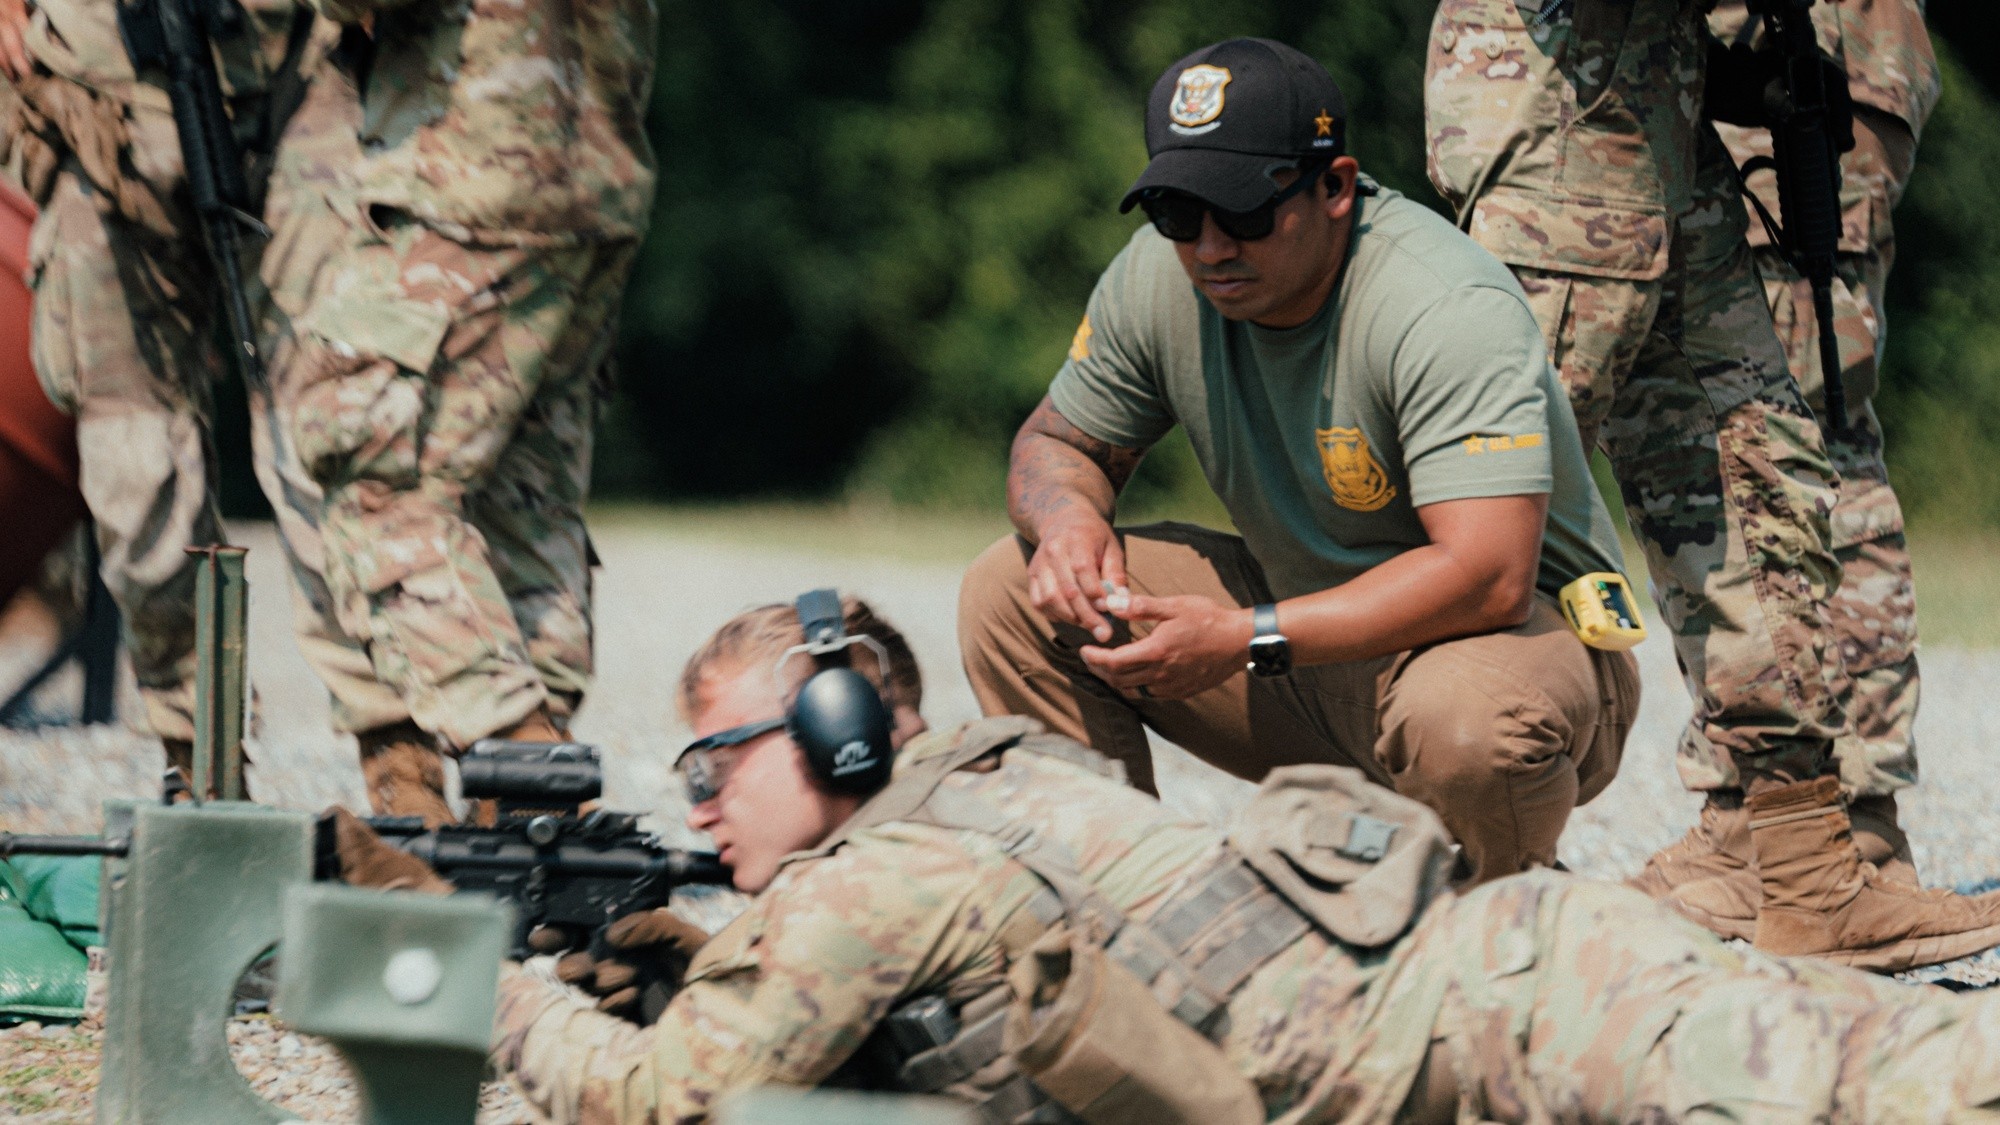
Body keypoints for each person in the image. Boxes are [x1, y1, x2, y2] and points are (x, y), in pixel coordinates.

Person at [331, 593, 2000, 1124]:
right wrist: (687, 950)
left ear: (847, 741)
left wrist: (492, 995)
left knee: (1919, 1087)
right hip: (1484, 1003)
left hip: (1508, 1010)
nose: (699, 804)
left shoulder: (888, 877)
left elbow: (675, 1104)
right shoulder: (970, 801)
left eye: (722, 760)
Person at [955, 38, 1640, 889]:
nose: (1209, 248)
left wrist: (1245, 638)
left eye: (1243, 211)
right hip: (1304, 646)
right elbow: (1057, 444)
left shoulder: (1443, 305)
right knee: (1013, 592)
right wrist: (1067, 523)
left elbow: (1490, 576)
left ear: (1336, 187)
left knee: (1467, 726)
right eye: (1177, 212)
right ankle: (1118, 903)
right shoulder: (1161, 283)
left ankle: (1505, 921)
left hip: (1503, 651)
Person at [1423, 0, 1999, 969]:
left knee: (1753, 464)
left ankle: (1804, 863)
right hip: (1570, 107)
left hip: (1664, 97)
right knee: (1493, 495)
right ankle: (1433, 886)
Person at [256, 0, 658, 822]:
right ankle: (531, 837)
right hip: (595, 167)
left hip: (472, 167)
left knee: (370, 472)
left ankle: (525, 764)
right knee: (523, 491)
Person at [0, 0, 377, 791]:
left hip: (294, 74)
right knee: (132, 457)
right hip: (92, 94)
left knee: (335, 432)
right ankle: (199, 761)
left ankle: (400, 757)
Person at [1637, 0, 1940, 934]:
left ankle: (1843, 824)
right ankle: (1766, 817)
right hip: (1756, 63)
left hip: (1794, 63)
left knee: (1802, 439)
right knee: (1742, 445)